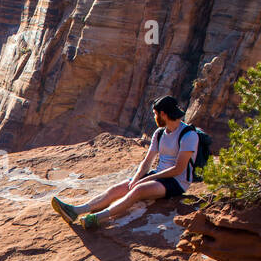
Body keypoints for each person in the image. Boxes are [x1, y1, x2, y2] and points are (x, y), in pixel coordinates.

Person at [51, 96, 198, 230]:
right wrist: (135, 178)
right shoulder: (160, 133)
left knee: (138, 191)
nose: (154, 117)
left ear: (163, 114)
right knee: (119, 188)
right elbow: (147, 161)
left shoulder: (188, 135)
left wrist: (147, 179)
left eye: (155, 113)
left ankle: (96, 219)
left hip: (176, 182)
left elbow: (178, 169)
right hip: (158, 176)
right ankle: (75, 211)